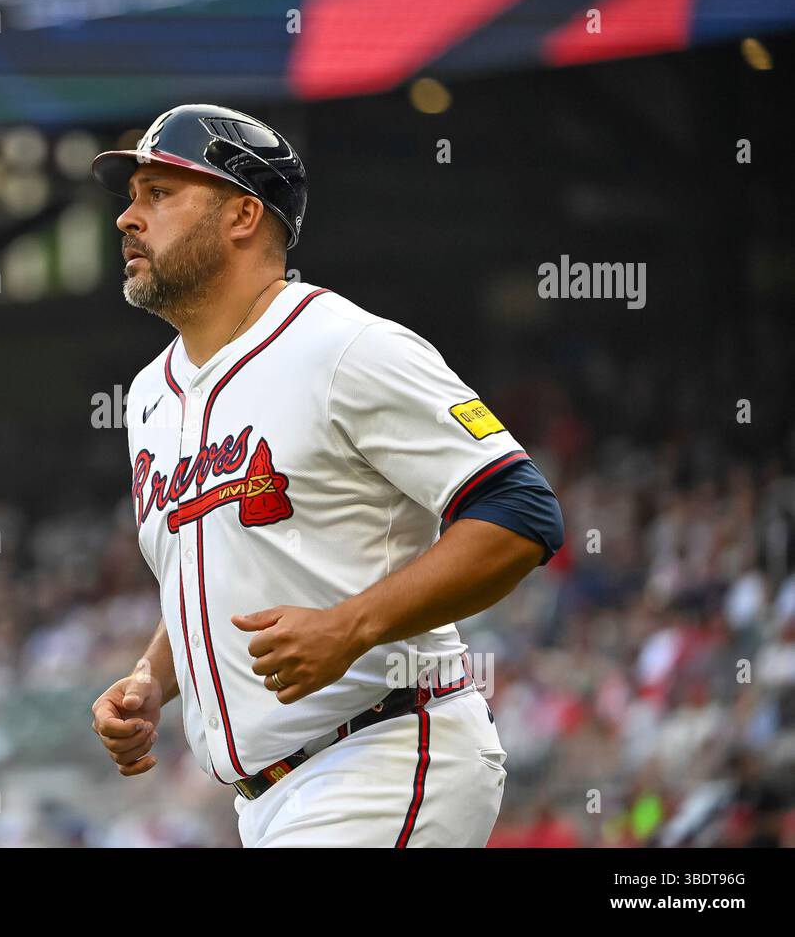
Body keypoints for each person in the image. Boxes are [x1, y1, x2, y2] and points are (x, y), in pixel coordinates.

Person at [88, 104, 564, 847]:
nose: (127, 218)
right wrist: (153, 679)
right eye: (131, 196)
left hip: (384, 750)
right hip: (269, 798)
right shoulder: (149, 393)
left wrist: (352, 626)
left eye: (160, 193)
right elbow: (218, 570)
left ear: (244, 214)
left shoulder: (345, 348)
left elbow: (521, 513)